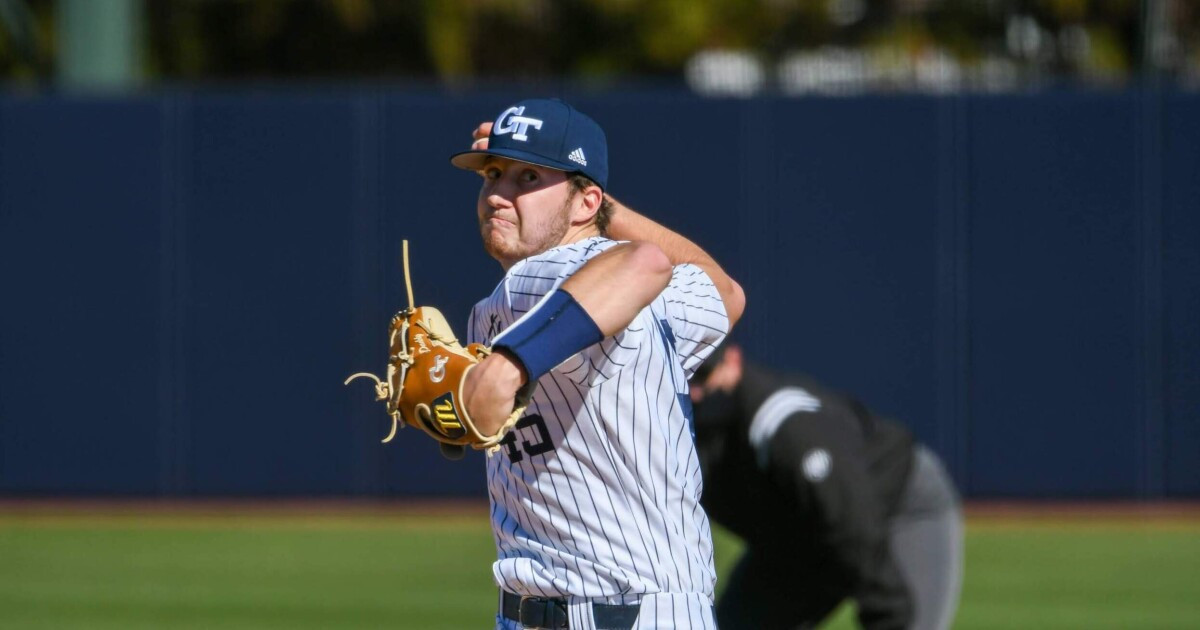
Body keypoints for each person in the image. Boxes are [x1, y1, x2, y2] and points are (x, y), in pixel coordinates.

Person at [450, 98, 745, 630]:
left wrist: (509, 365)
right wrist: (601, 207)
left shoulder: (543, 274)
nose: (499, 192)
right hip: (654, 607)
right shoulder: (616, 293)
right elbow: (725, 292)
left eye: (528, 176)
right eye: (493, 173)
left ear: (584, 204)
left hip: (612, 613)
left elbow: (644, 260)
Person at [689, 343, 962, 630]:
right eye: (686, 379)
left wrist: (887, 612)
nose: (694, 390)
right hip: (797, 538)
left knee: (899, 617)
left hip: (896, 506)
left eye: (703, 374)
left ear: (733, 360)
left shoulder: (784, 423)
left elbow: (849, 514)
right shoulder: (683, 429)